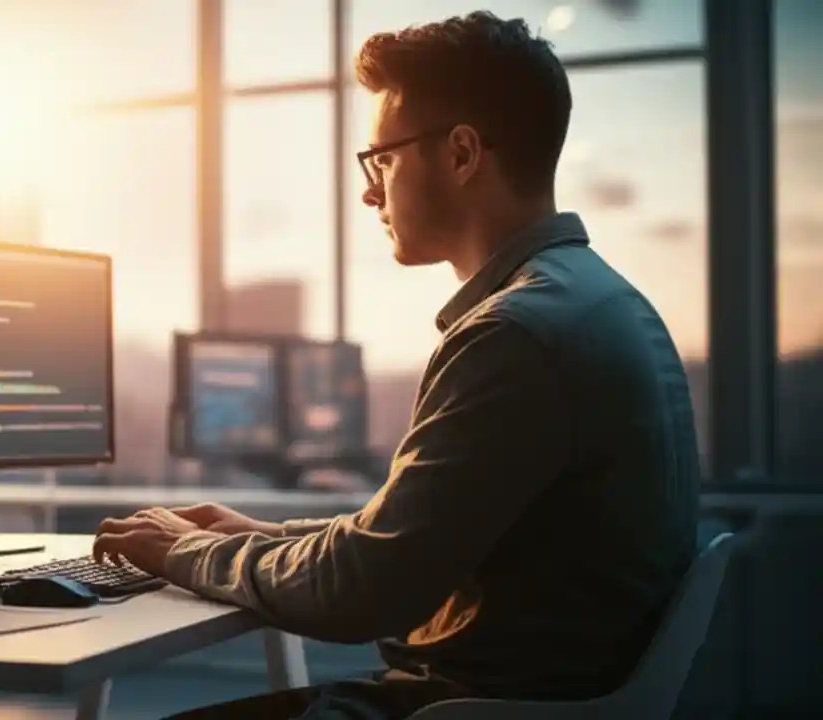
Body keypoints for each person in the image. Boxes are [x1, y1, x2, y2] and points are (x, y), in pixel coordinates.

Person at [93, 11, 700, 719]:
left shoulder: (515, 336)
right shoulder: (603, 304)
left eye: (381, 158)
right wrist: (257, 537)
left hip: (457, 707)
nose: (370, 191)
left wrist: (188, 554)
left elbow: (364, 592)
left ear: (462, 153)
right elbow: (413, 542)